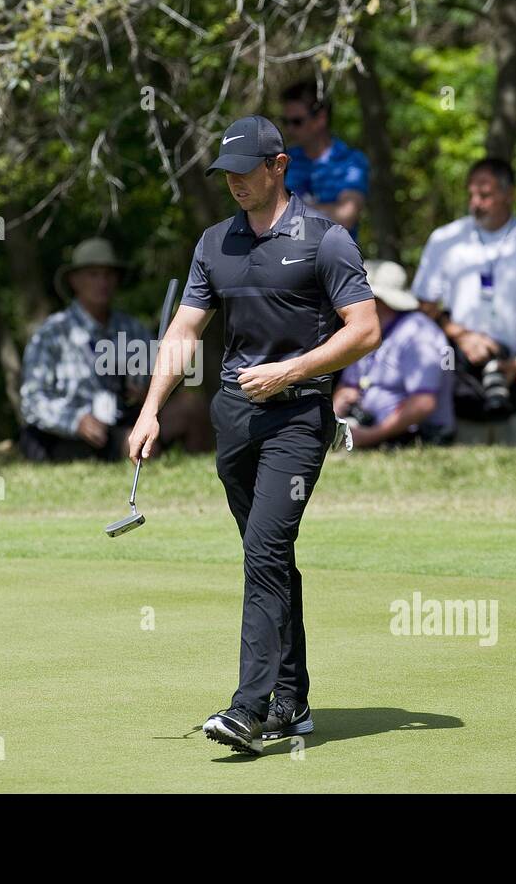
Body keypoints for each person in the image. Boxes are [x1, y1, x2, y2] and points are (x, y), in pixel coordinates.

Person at [126, 115, 380, 755]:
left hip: (298, 416)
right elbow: (184, 332)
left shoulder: (327, 240)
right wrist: (152, 407)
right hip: (234, 418)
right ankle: (293, 703)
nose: (235, 183)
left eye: (246, 171)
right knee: (269, 559)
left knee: (265, 552)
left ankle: (249, 708)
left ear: (279, 165)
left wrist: (291, 370)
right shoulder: (215, 244)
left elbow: (365, 330)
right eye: (227, 174)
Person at [411, 157, 516, 449]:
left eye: (485, 195)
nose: (476, 202)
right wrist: (462, 337)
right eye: (471, 194)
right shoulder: (445, 239)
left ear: (509, 194)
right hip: (460, 377)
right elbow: (424, 303)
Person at [19, 237, 211, 462]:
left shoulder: (133, 328)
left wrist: (149, 393)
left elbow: (158, 377)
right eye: (93, 274)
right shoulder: (52, 333)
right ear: (74, 281)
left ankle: (201, 471)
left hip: (127, 419)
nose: (103, 282)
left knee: (193, 407)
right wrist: (75, 421)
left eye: (108, 274)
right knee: (138, 446)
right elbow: (32, 400)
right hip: (75, 436)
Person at [333, 260, 455, 448]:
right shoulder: (365, 331)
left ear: (378, 300)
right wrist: (340, 404)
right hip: (369, 430)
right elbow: (349, 386)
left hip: (413, 438)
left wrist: (370, 436)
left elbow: (423, 403)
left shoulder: (419, 334)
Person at [279, 81, 370, 238]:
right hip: (286, 257)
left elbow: (346, 217)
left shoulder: (351, 161)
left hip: (336, 259)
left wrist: (290, 209)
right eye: (286, 122)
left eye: (297, 122)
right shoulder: (284, 160)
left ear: (321, 119)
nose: (289, 129)